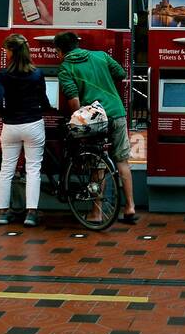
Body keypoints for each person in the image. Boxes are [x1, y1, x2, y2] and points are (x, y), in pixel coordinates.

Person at [54, 31, 138, 224]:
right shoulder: (101, 55)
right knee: (122, 161)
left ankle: (97, 213)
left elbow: (74, 102)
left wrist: (78, 121)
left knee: (97, 165)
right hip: (117, 112)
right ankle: (130, 206)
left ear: (59, 51)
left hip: (96, 119)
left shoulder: (66, 68)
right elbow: (121, 73)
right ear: (77, 44)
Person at [0, 34, 46, 228]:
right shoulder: (37, 73)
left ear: (12, 51)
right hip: (33, 124)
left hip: (11, 126)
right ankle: (31, 214)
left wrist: (5, 113)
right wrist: (44, 110)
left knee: (7, 169)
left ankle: (3, 213)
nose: (5, 53)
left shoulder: (3, 74)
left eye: (6, 50)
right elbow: (43, 99)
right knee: (33, 169)